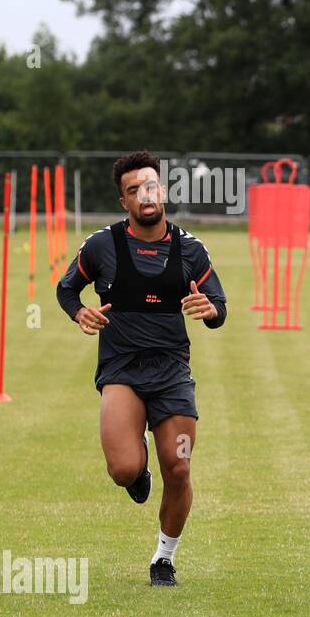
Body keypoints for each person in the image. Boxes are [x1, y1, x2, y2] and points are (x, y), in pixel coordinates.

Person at [56, 150, 227, 587]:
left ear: (162, 190)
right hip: (121, 370)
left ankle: (164, 559)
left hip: (172, 371)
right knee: (123, 470)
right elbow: (66, 288)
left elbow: (219, 308)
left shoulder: (190, 249)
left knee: (181, 466)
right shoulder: (101, 246)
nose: (144, 195)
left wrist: (209, 309)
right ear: (124, 202)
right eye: (133, 190)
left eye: (149, 185)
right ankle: (138, 472)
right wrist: (79, 313)